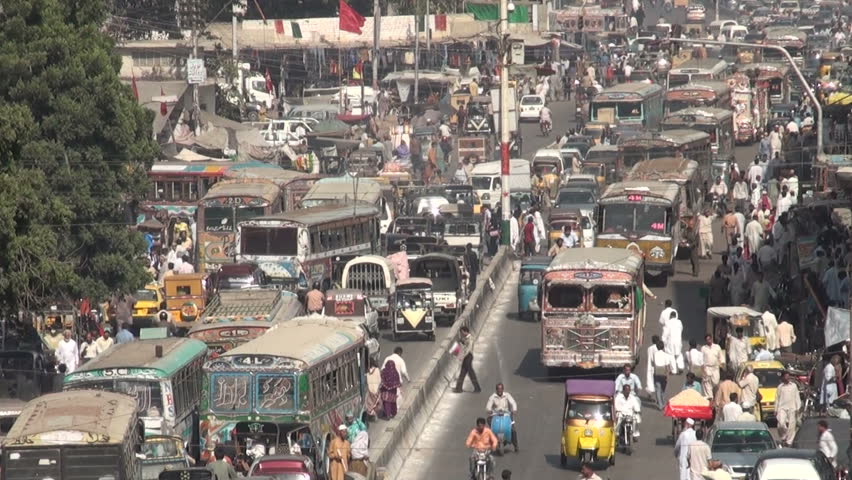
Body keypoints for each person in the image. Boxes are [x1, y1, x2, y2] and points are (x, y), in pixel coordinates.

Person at [485, 383, 519, 452]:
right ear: (496, 389)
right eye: (498, 389)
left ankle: (516, 445)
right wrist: (489, 410)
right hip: (496, 415)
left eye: (501, 389)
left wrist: (514, 409)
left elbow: (513, 402)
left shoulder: (507, 395)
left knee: (513, 430)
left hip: (506, 415)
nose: (499, 390)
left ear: (503, 389)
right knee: (489, 421)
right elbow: (488, 406)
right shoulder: (493, 397)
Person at [775, 371, 801, 447]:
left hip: (792, 408)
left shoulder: (794, 386)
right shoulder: (780, 387)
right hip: (782, 408)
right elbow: (777, 398)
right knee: (781, 424)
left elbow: (797, 397)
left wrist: (798, 407)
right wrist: (775, 409)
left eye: (788, 376)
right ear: (783, 377)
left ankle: (789, 442)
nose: (787, 378)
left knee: (792, 425)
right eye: (786, 376)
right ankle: (783, 437)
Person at [454, 326, 481, 393]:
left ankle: (477, 388)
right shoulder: (466, 338)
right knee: (464, 372)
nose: (462, 334)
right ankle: (459, 388)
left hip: (468, 357)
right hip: (467, 357)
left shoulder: (470, 339)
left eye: (462, 332)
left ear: (465, 331)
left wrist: (462, 356)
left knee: (469, 373)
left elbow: (468, 349)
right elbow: (464, 344)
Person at [651, 338, 674, 410]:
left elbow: (653, 362)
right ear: (663, 347)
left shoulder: (655, 354)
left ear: (657, 347)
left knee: (657, 388)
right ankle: (663, 402)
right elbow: (667, 366)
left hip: (656, 372)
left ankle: (660, 404)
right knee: (663, 389)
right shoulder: (666, 355)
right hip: (663, 373)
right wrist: (667, 375)